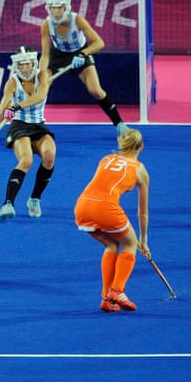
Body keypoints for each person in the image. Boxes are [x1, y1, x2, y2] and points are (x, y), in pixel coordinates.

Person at [0, 46, 57, 220]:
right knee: (26, 160)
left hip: (39, 126)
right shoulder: (12, 83)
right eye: (20, 65)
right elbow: (0, 112)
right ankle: (8, 204)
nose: (24, 68)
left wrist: (16, 106)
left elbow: (40, 96)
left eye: (27, 64)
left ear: (33, 63)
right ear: (16, 66)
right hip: (19, 126)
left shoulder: (42, 76)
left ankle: (34, 199)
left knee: (49, 156)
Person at [73, 128, 150, 312]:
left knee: (111, 245)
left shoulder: (106, 159)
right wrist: (143, 240)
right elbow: (142, 212)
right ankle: (118, 290)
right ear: (141, 147)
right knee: (130, 244)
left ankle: (107, 298)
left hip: (82, 206)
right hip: (106, 208)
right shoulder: (140, 169)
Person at [39, 0, 128, 135]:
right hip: (57, 56)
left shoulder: (77, 20)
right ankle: (36, 125)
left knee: (95, 90)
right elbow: (45, 55)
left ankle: (119, 124)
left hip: (80, 53)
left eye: (59, 7)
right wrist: (40, 74)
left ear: (66, 7)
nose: (55, 11)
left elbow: (99, 43)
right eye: (52, 7)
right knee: (41, 90)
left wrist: (82, 54)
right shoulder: (46, 24)